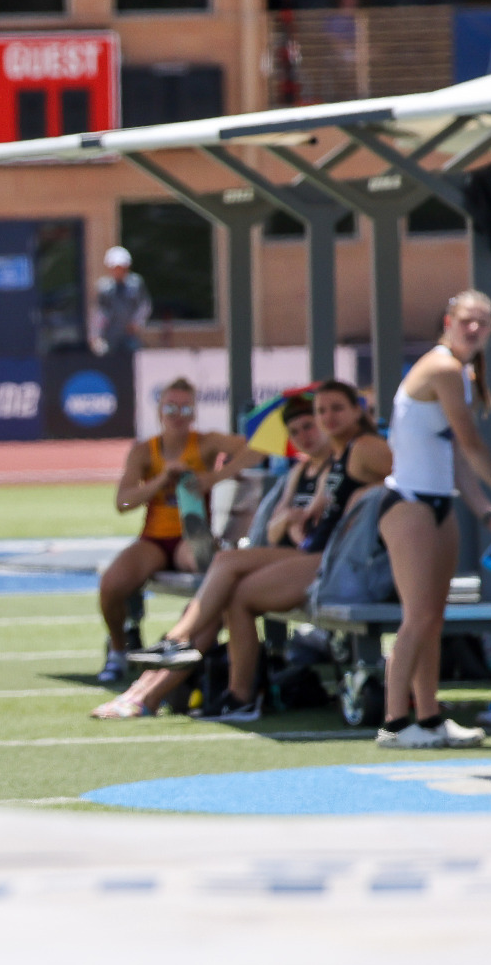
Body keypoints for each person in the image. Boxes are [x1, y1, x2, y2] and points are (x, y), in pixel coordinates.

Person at [107, 383, 391, 721]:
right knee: (227, 577)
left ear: (357, 411)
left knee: (231, 585)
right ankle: (178, 676)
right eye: (321, 411)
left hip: (336, 563)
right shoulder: (328, 459)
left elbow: (403, 483)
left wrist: (369, 497)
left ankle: (186, 662)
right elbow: (291, 523)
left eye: (335, 409)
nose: (325, 419)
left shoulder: (363, 448)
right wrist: (305, 514)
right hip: (308, 552)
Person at [377, 289, 491, 749]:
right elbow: (471, 444)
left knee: (433, 618)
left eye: (482, 323)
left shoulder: (460, 371)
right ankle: (393, 722)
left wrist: (487, 512)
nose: (474, 329)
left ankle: (428, 718)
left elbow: (455, 457)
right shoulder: (445, 367)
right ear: (448, 320)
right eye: (467, 320)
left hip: (438, 503)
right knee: (418, 617)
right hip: (408, 503)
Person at [95, 377, 257, 683]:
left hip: (189, 539)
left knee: (206, 567)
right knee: (112, 584)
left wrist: (214, 477)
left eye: (185, 407)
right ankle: (118, 650)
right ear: (159, 411)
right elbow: (123, 502)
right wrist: (160, 480)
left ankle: (188, 643)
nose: (177, 414)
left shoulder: (205, 442)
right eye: (170, 406)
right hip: (155, 540)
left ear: (194, 412)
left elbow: (256, 449)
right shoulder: (146, 451)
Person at [90, 245, 151, 356]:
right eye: (115, 267)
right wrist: (95, 336)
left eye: (121, 267)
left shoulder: (136, 284)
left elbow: (144, 306)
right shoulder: (104, 288)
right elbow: (99, 313)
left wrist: (136, 323)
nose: (118, 271)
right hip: (110, 336)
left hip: (130, 336)